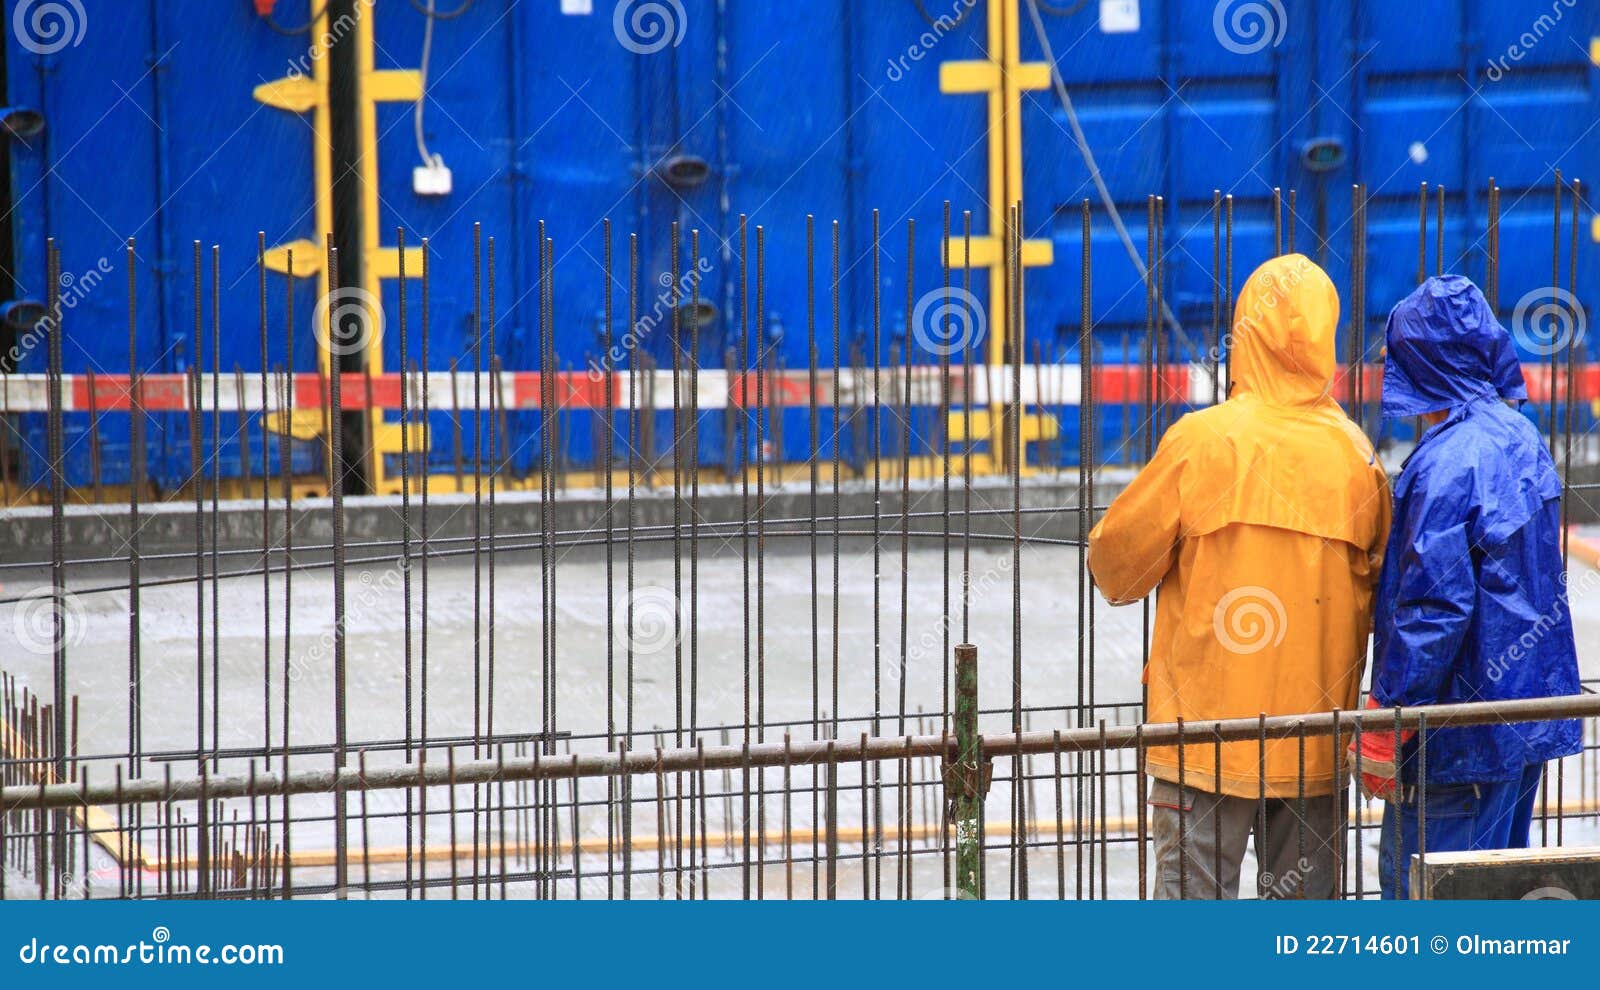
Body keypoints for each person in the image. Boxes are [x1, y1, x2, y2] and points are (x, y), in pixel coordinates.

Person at [1088, 254, 1390, 899]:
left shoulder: (1202, 442)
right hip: (1315, 746)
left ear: (1245, 331)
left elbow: (1116, 570)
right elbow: (1388, 597)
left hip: (1203, 743)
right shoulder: (1356, 458)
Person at [1354, 275, 1582, 899]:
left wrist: (1388, 714)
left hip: (1458, 746)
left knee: (1428, 917)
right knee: (1494, 912)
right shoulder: (1519, 437)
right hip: (1522, 727)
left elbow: (1434, 610)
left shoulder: (1444, 463)